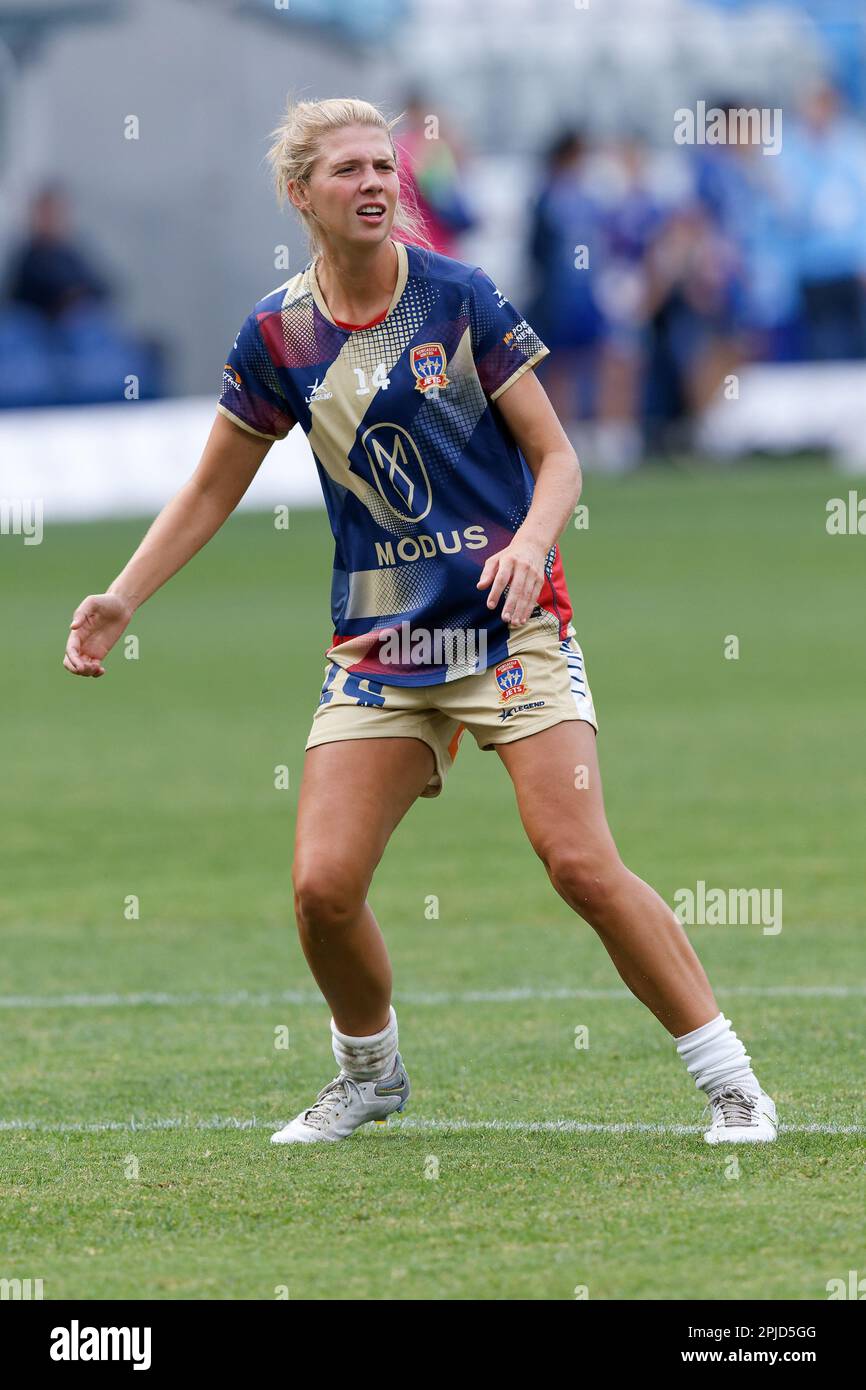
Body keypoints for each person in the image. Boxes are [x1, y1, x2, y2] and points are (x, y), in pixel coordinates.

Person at [63, 96, 777, 1147]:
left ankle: (731, 1082)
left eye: (382, 167)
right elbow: (211, 488)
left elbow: (559, 458)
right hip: (383, 646)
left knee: (577, 861)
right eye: (347, 169)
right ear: (300, 194)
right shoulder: (278, 332)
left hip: (507, 625)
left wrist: (531, 541)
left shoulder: (457, 295)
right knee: (320, 888)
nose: (374, 184)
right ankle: (370, 1073)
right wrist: (124, 595)